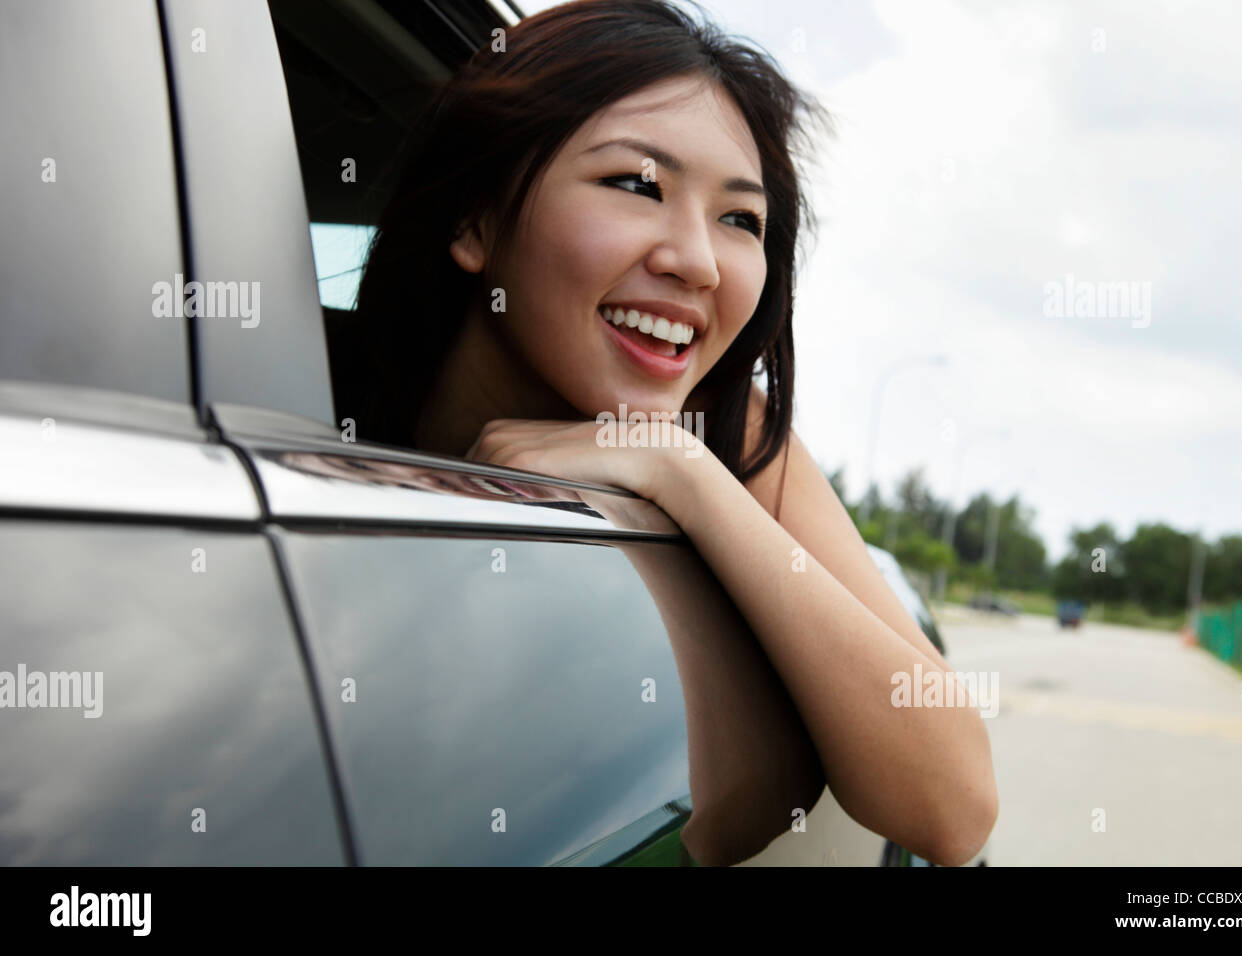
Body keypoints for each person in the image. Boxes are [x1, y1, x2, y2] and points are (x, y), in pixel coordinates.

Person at [351, 0, 996, 866]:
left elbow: (951, 811)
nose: (696, 260)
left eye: (740, 219)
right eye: (636, 185)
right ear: (476, 218)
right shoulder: (302, 398)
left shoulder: (732, 434)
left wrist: (684, 472)